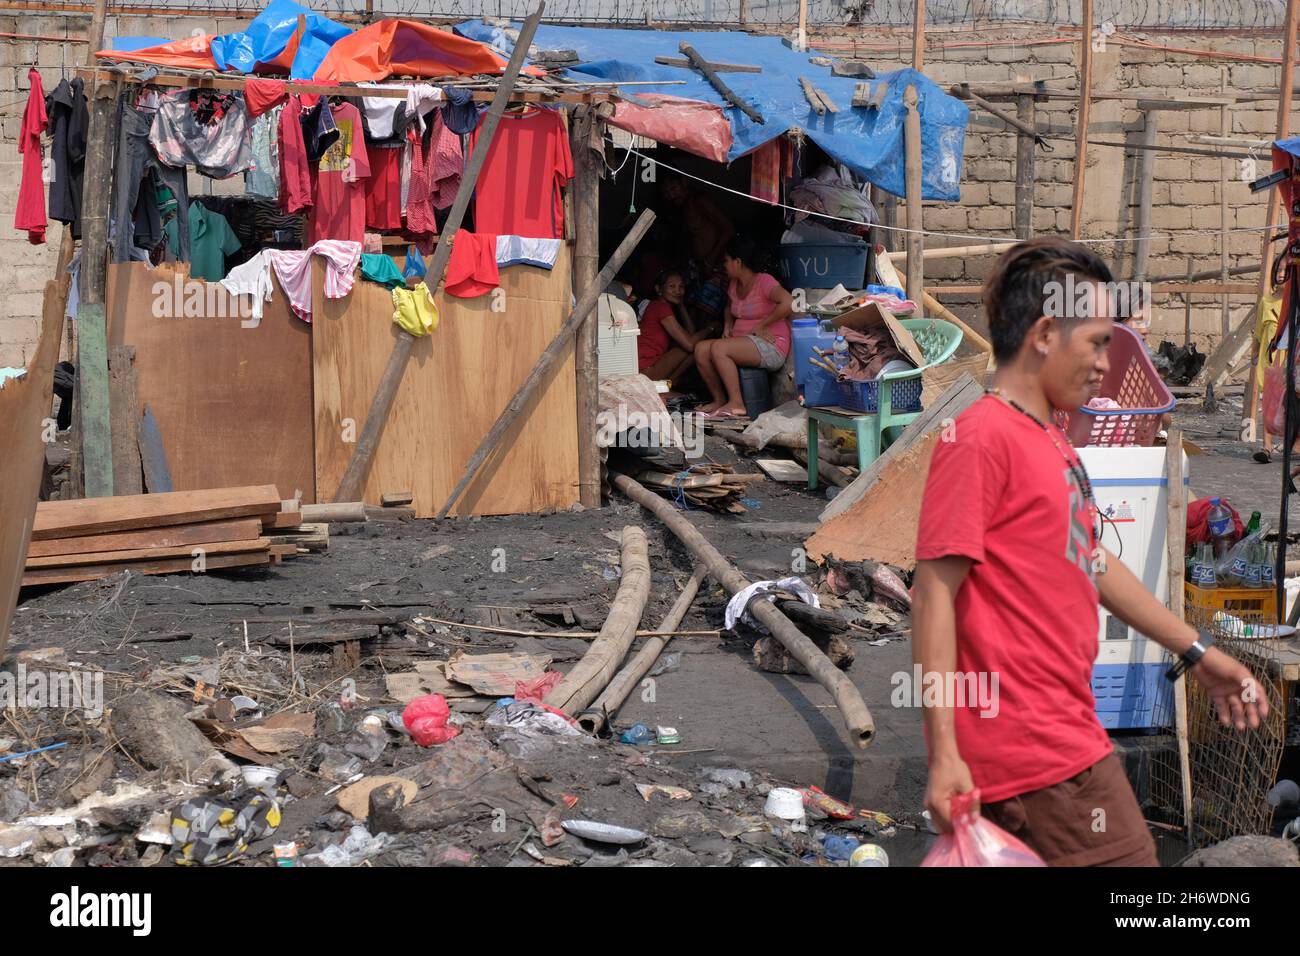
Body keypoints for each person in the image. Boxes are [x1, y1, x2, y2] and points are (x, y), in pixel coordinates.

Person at [913, 237, 1267, 867]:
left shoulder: (1049, 440)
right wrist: (943, 755)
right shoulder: (980, 437)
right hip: (1036, 754)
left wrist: (1197, 651)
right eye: (1098, 342)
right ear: (1046, 333)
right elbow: (933, 594)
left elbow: (1094, 561)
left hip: (1060, 739)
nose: (1106, 363)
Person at [694, 238, 795, 419]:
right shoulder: (734, 284)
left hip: (770, 345)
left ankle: (736, 404)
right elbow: (729, 307)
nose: (724, 265)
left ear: (738, 262)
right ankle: (719, 399)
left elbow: (788, 302)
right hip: (744, 342)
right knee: (701, 349)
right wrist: (728, 324)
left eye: (726, 260)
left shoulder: (764, 281)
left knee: (719, 348)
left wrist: (763, 324)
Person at [637, 269, 716, 383]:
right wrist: (710, 328)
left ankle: (669, 383)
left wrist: (681, 306)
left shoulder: (660, 306)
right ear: (659, 289)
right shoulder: (660, 307)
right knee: (697, 347)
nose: (678, 291)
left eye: (681, 286)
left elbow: (691, 334)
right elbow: (690, 344)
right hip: (646, 370)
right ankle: (670, 383)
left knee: (694, 345)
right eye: (672, 286)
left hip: (646, 368)